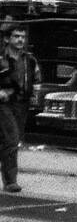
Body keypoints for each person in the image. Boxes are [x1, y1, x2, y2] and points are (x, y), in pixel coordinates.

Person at [0, 23, 42, 193]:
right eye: (16, 36)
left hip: (22, 104)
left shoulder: (29, 59)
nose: (20, 40)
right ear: (6, 38)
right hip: (4, 104)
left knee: (10, 140)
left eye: (22, 37)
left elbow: (37, 80)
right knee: (11, 139)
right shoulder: (1, 58)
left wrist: (35, 99)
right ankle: (11, 181)